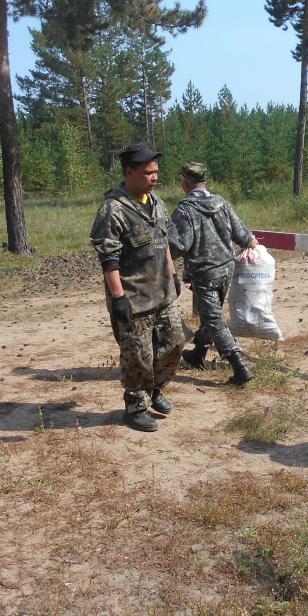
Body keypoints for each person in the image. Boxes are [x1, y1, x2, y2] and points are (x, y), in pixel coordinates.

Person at [90, 143, 186, 433]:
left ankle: (155, 389)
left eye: (156, 172)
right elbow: (109, 257)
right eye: (148, 173)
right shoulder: (113, 209)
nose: (154, 177)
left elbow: (163, 241)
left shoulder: (156, 202)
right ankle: (135, 405)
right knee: (138, 356)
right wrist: (118, 297)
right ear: (129, 172)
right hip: (133, 298)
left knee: (175, 342)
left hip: (162, 292)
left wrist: (172, 272)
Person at [170, 162, 257, 386]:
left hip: (204, 273)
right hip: (226, 269)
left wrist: (159, 253)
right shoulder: (221, 203)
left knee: (215, 320)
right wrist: (252, 242)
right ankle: (198, 354)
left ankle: (240, 367)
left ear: (185, 182)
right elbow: (243, 234)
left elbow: (178, 245)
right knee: (212, 315)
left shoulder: (185, 210)